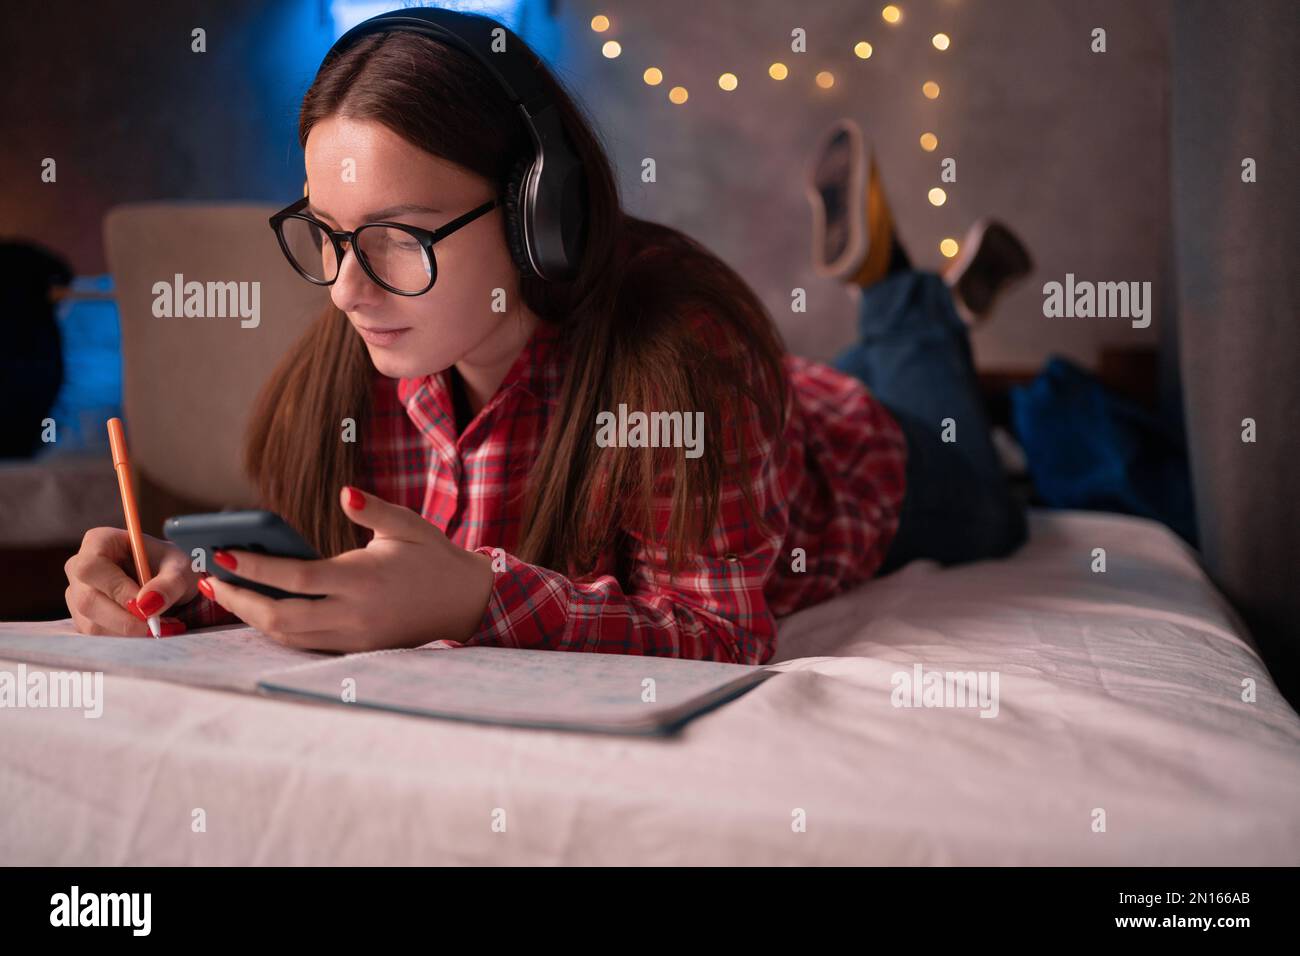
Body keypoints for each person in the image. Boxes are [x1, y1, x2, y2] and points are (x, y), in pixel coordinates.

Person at [64, 15, 1028, 662]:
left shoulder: (686, 355)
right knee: (859, 369)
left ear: (540, 219)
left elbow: (724, 631)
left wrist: (476, 599)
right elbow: (348, 569)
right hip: (767, 407)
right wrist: (199, 589)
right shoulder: (366, 361)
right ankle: (937, 301)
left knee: (961, 457)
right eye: (328, 236)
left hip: (862, 466)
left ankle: (906, 290)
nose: (349, 289)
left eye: (399, 238)